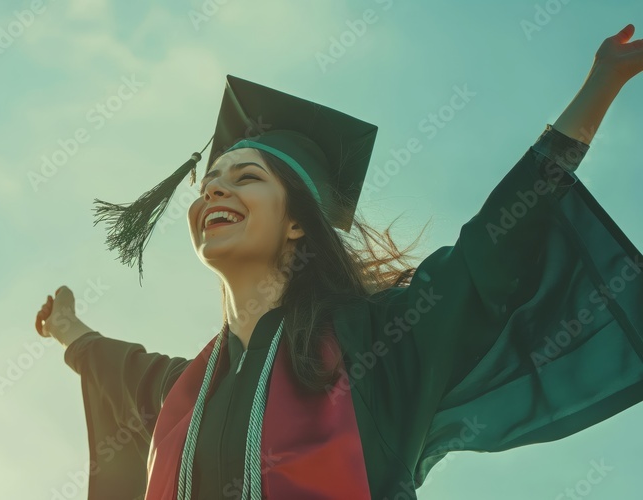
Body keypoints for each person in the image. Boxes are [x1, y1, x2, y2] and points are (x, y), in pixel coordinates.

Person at [34, 24, 643, 500]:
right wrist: (67, 328)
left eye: (244, 177)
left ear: (298, 220)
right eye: (209, 182)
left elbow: (488, 252)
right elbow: (114, 366)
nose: (214, 191)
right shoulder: (181, 393)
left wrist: (601, 86)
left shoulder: (376, 346)